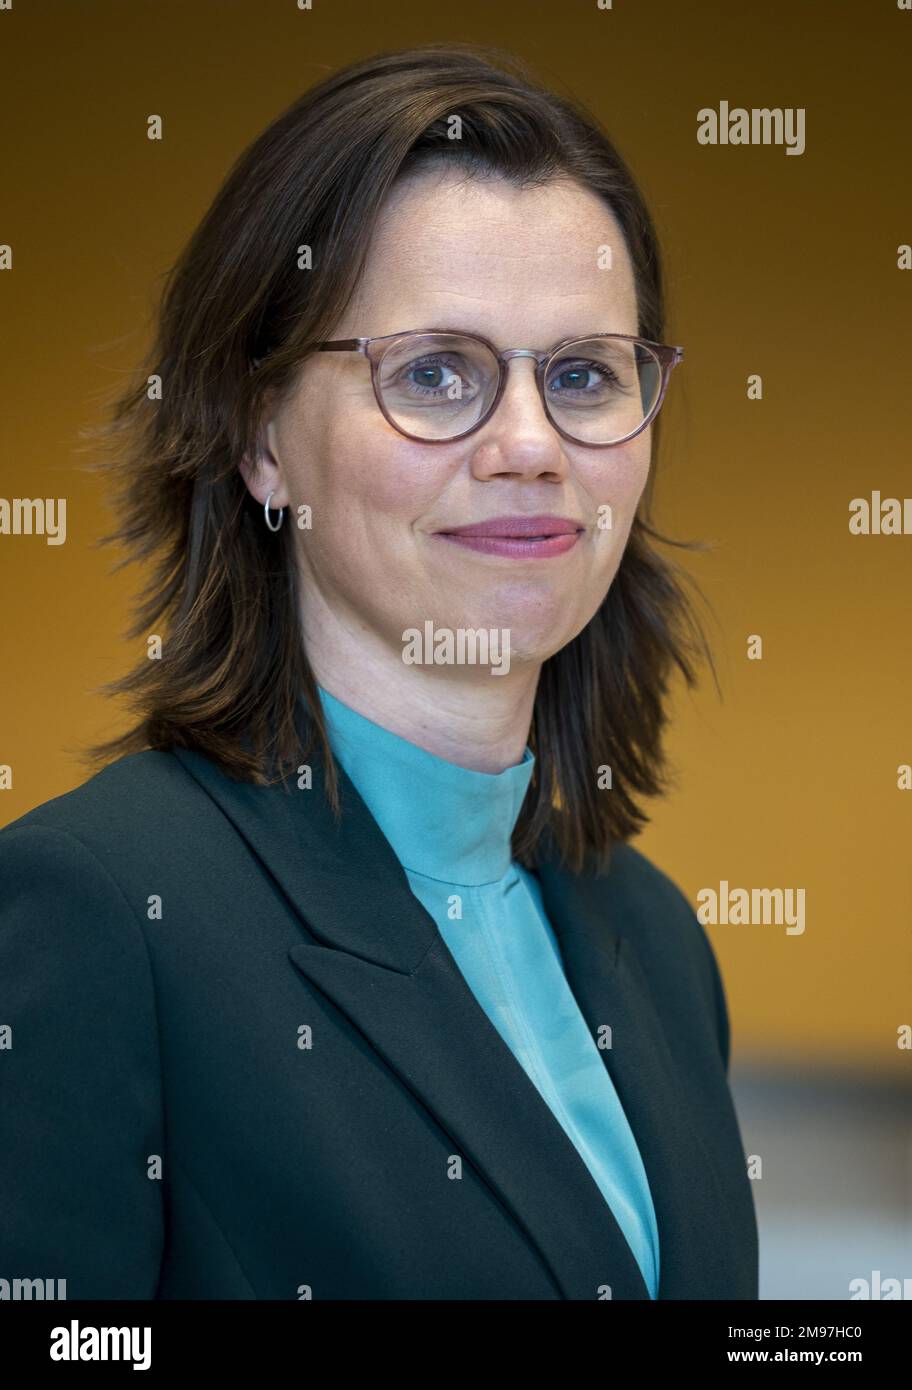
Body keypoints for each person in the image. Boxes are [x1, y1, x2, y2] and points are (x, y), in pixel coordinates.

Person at [0, 42, 758, 1300]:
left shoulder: (658, 941)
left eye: (582, 374)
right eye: (435, 373)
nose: (530, 446)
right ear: (260, 441)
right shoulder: (100, 915)